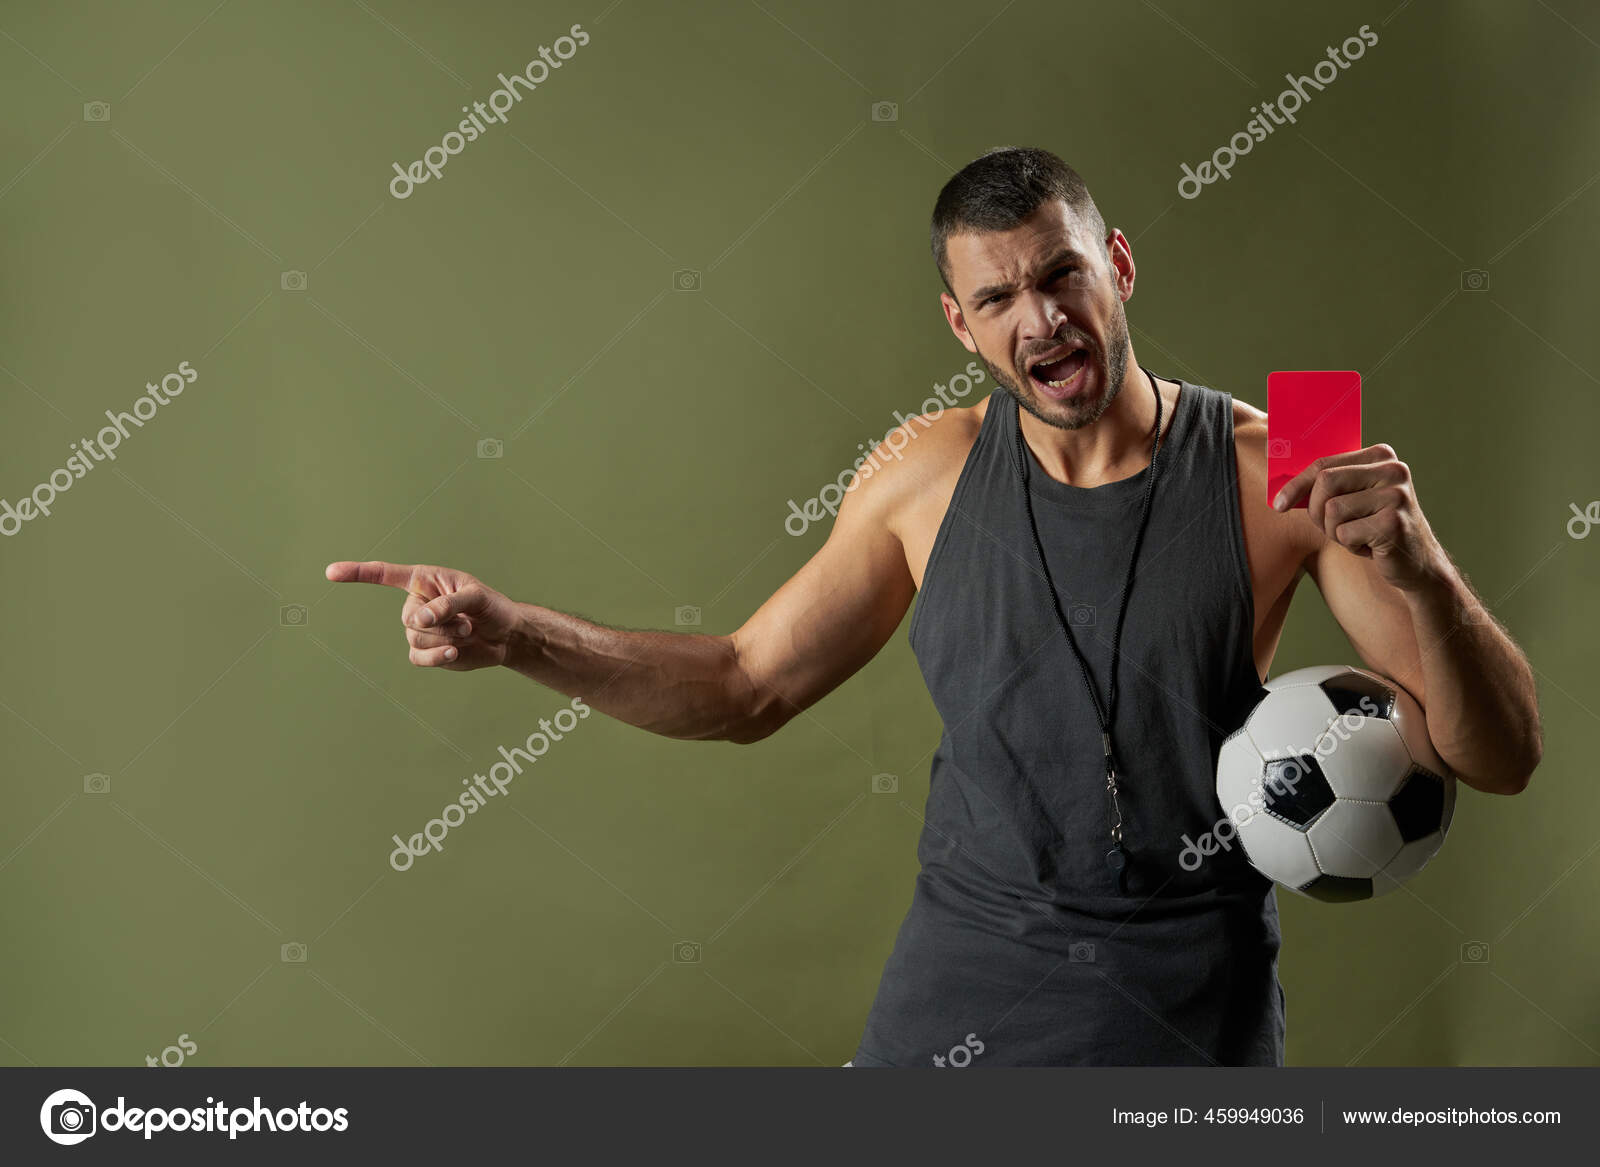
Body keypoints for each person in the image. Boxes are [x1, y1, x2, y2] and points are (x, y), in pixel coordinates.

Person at [327, 146, 1542, 1067]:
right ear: (961, 326)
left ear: (1116, 267)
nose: (1042, 318)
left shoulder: (1284, 458)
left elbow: (1501, 755)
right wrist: (516, 635)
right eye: (999, 298)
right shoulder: (924, 471)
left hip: (1188, 1014)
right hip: (959, 1001)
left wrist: (1424, 569)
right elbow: (745, 685)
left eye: (1062, 275)